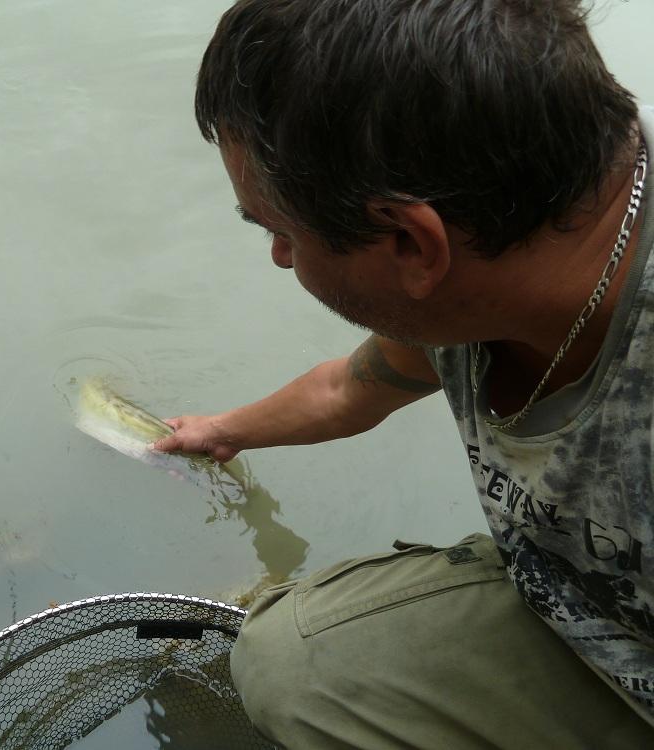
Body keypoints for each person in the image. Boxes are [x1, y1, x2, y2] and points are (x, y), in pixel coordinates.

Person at [151, 1, 654, 747]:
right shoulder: (502, 246)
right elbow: (350, 389)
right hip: (588, 609)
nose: (281, 259)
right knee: (292, 664)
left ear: (412, 244)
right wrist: (218, 433)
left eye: (282, 233)